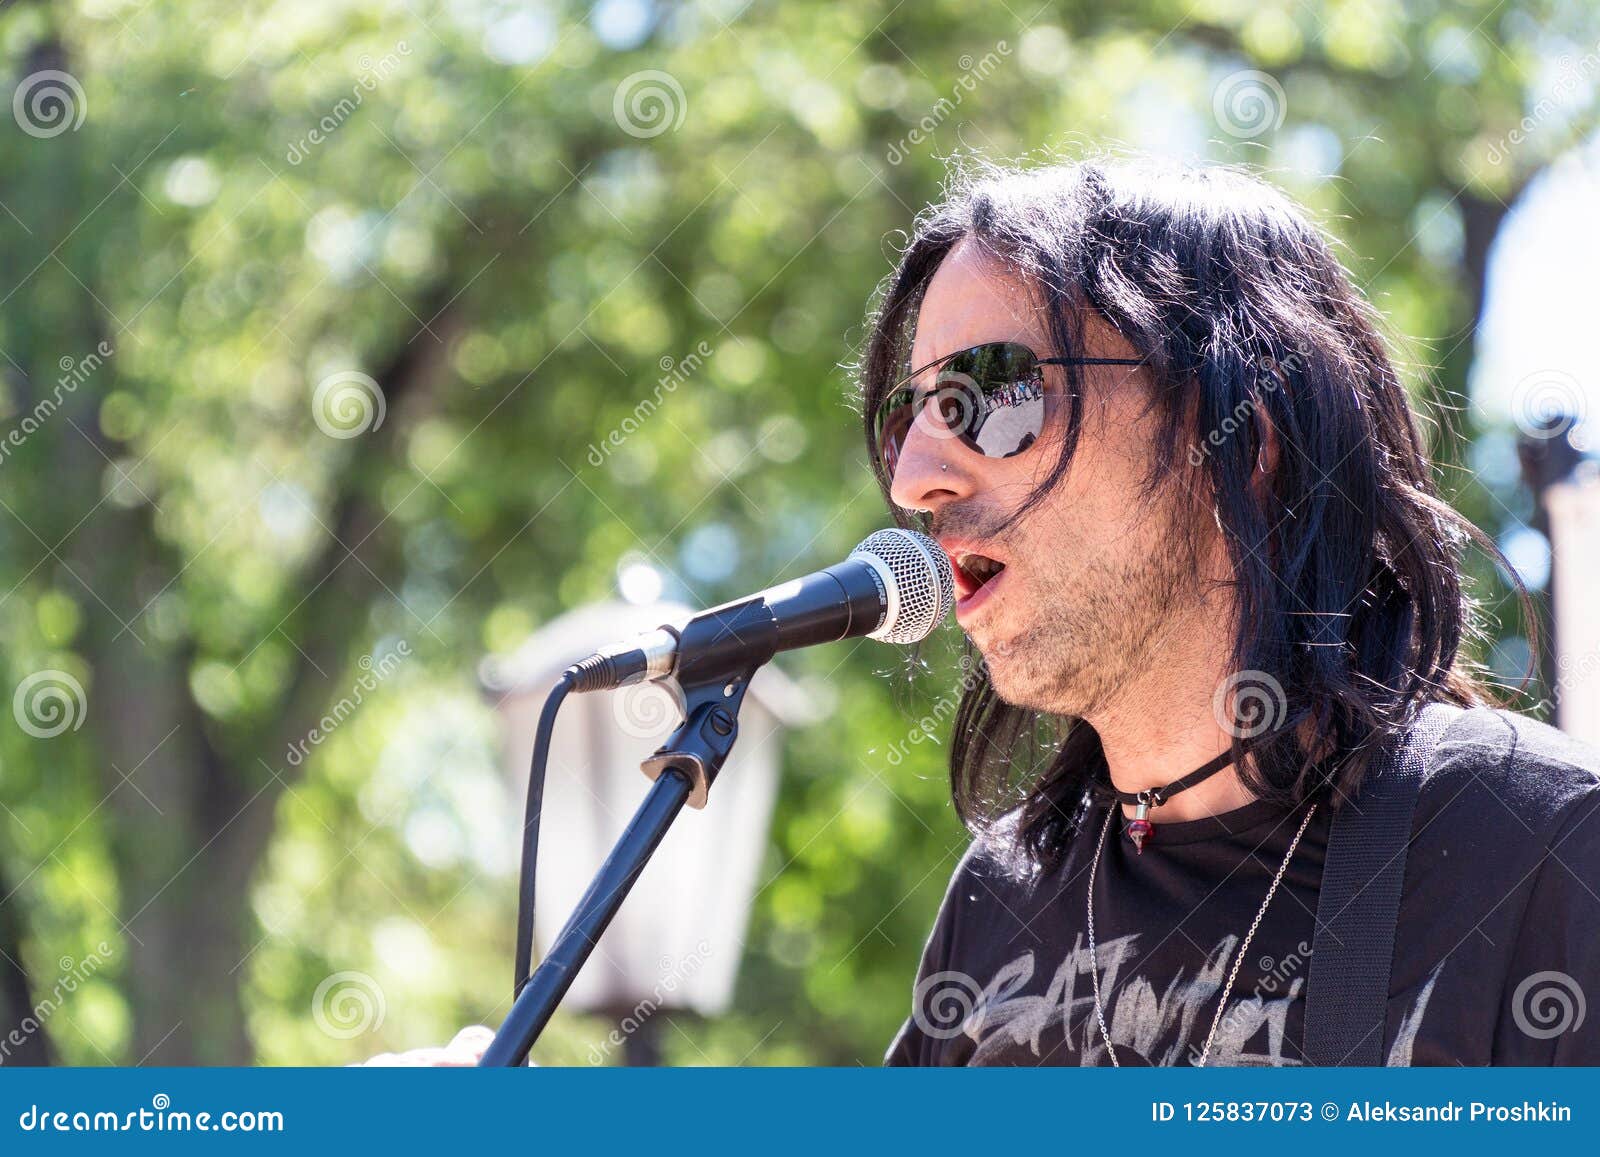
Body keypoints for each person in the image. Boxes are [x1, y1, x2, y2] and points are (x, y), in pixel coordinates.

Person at [865, 157, 1600, 1066]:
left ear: (1242, 439)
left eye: (993, 391)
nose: (914, 479)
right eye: (908, 415)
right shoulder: (999, 903)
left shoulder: (1540, 853)